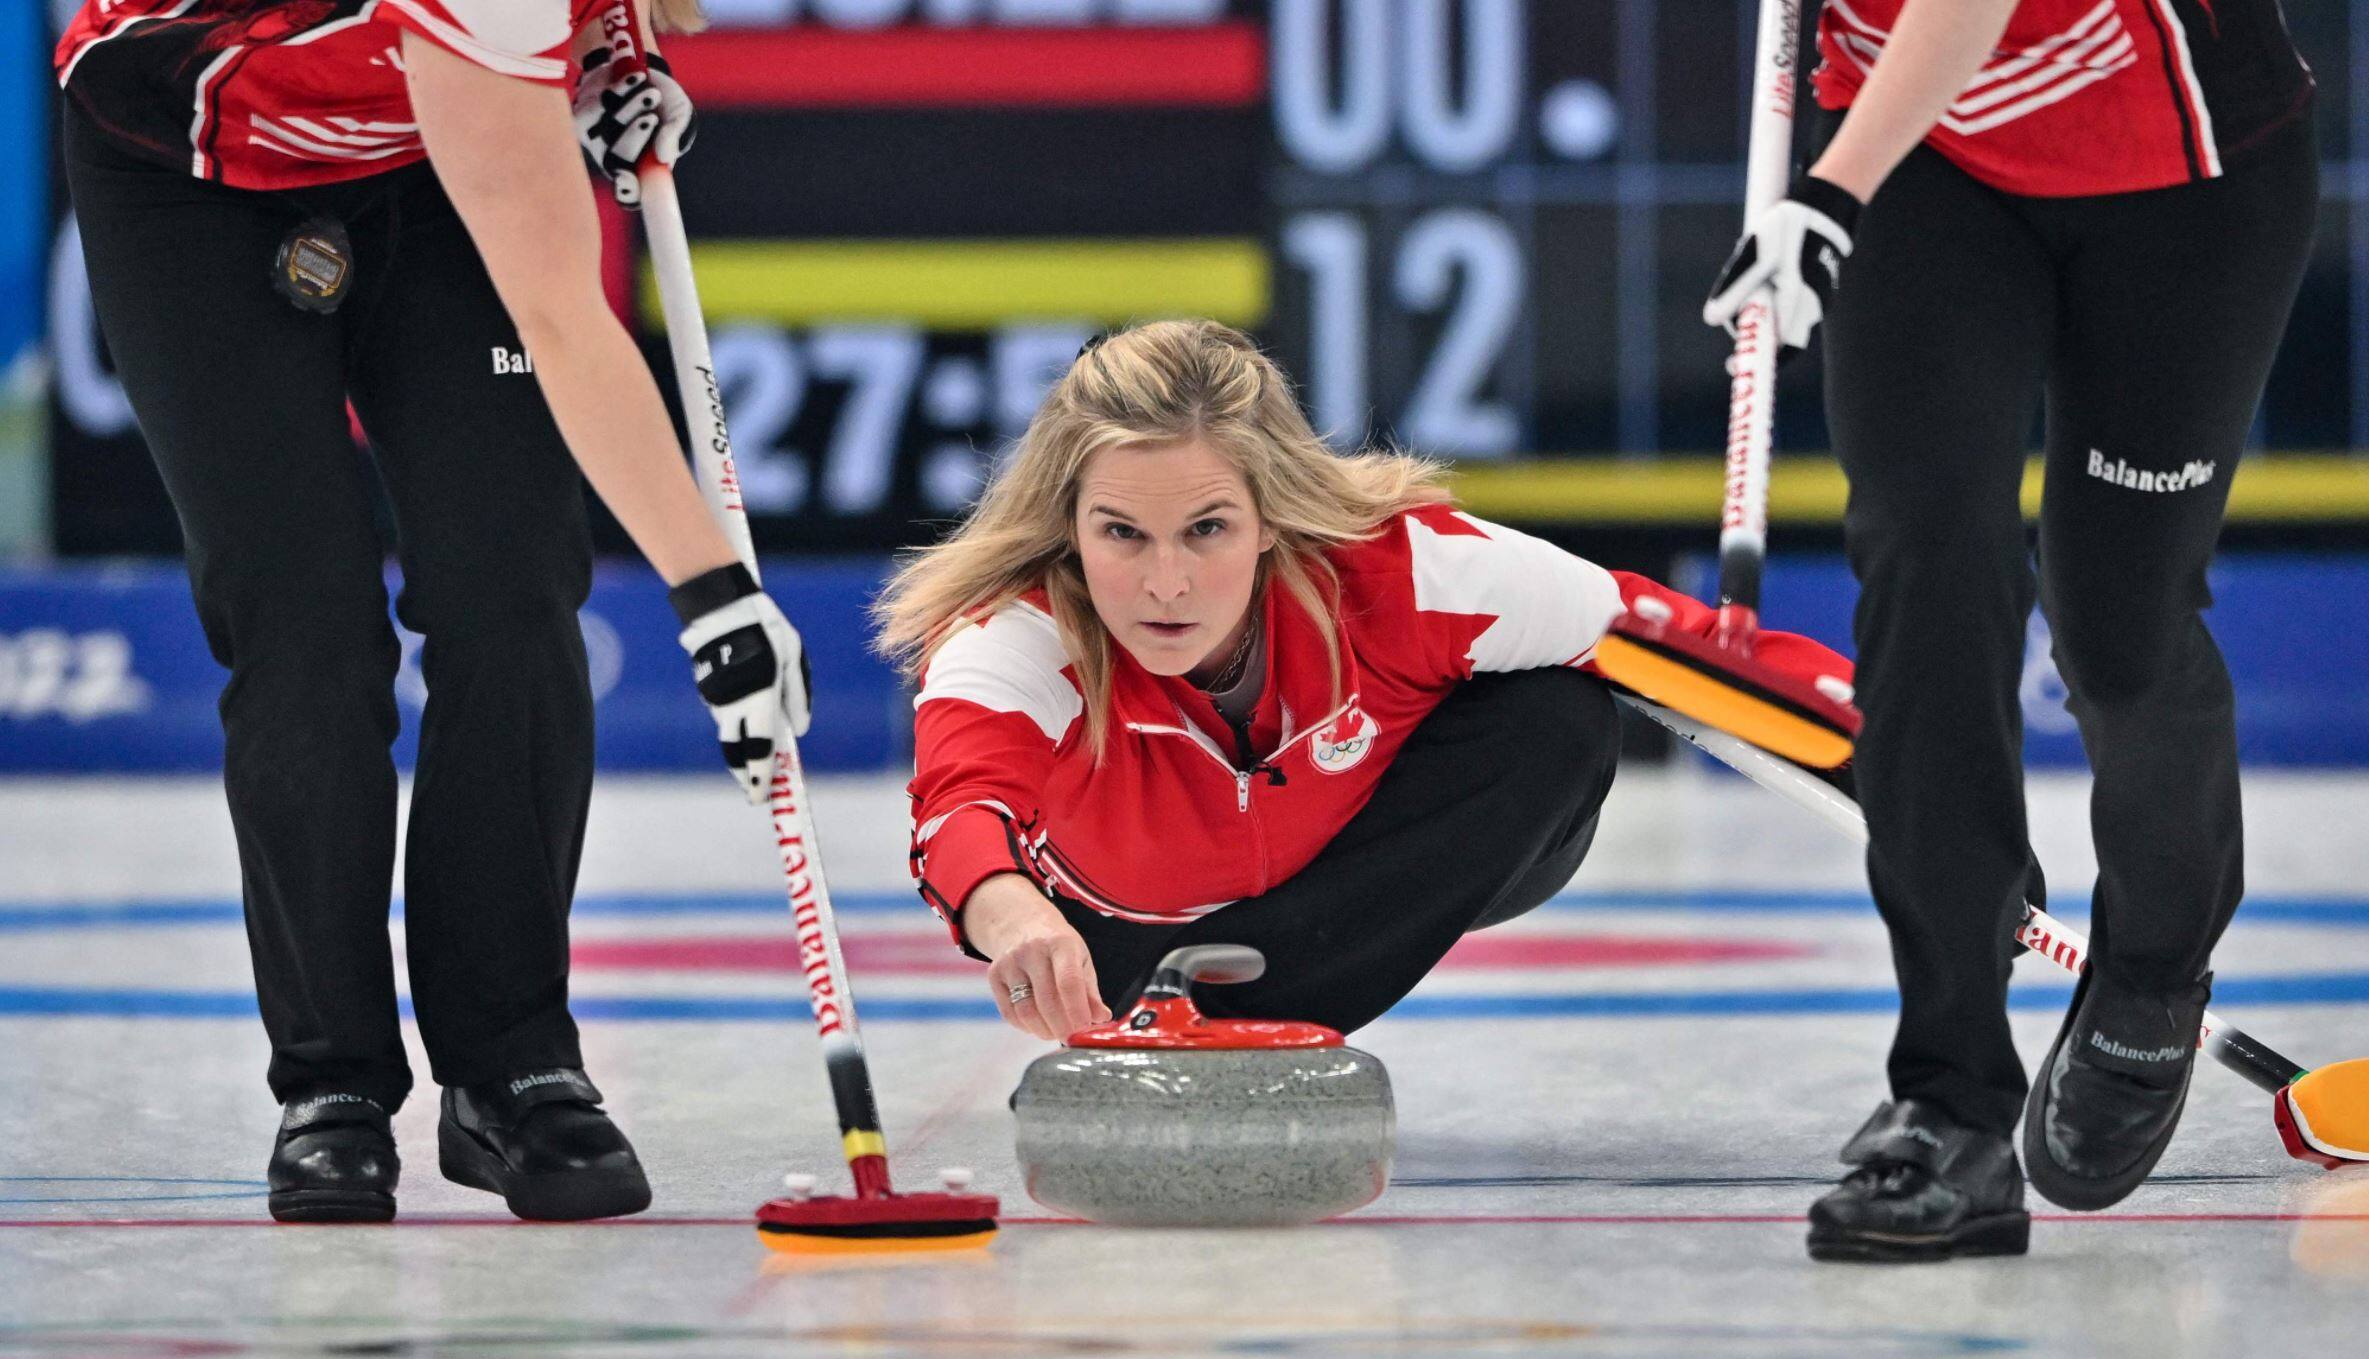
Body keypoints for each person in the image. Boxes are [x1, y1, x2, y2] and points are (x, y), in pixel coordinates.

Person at [55, 0, 808, 1223]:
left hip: (424, 166)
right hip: (190, 176)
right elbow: (565, 322)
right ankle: (332, 1087)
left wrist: (613, 57)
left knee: (509, 586)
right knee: (301, 621)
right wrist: (714, 595)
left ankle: (512, 1065)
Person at [1703, 0, 2317, 1260]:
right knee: (1924, 574)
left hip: (2183, 180)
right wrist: (1851, 178)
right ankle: (1948, 1105)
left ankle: (2151, 964)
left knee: (2117, 626)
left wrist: (1826, 192)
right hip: (1924, 177)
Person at [874, 320, 1851, 1044]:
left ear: (1270, 516)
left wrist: (1929, 808)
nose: (1163, 583)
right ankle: (1188, 1015)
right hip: (1124, 948)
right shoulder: (1016, 635)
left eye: (1206, 529)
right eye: (1120, 534)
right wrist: (1013, 918)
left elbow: (1699, 662)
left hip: (1374, 877)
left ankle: (1223, 1025)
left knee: (1560, 710)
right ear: (1071, 526)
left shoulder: (1403, 575)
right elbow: (958, 807)